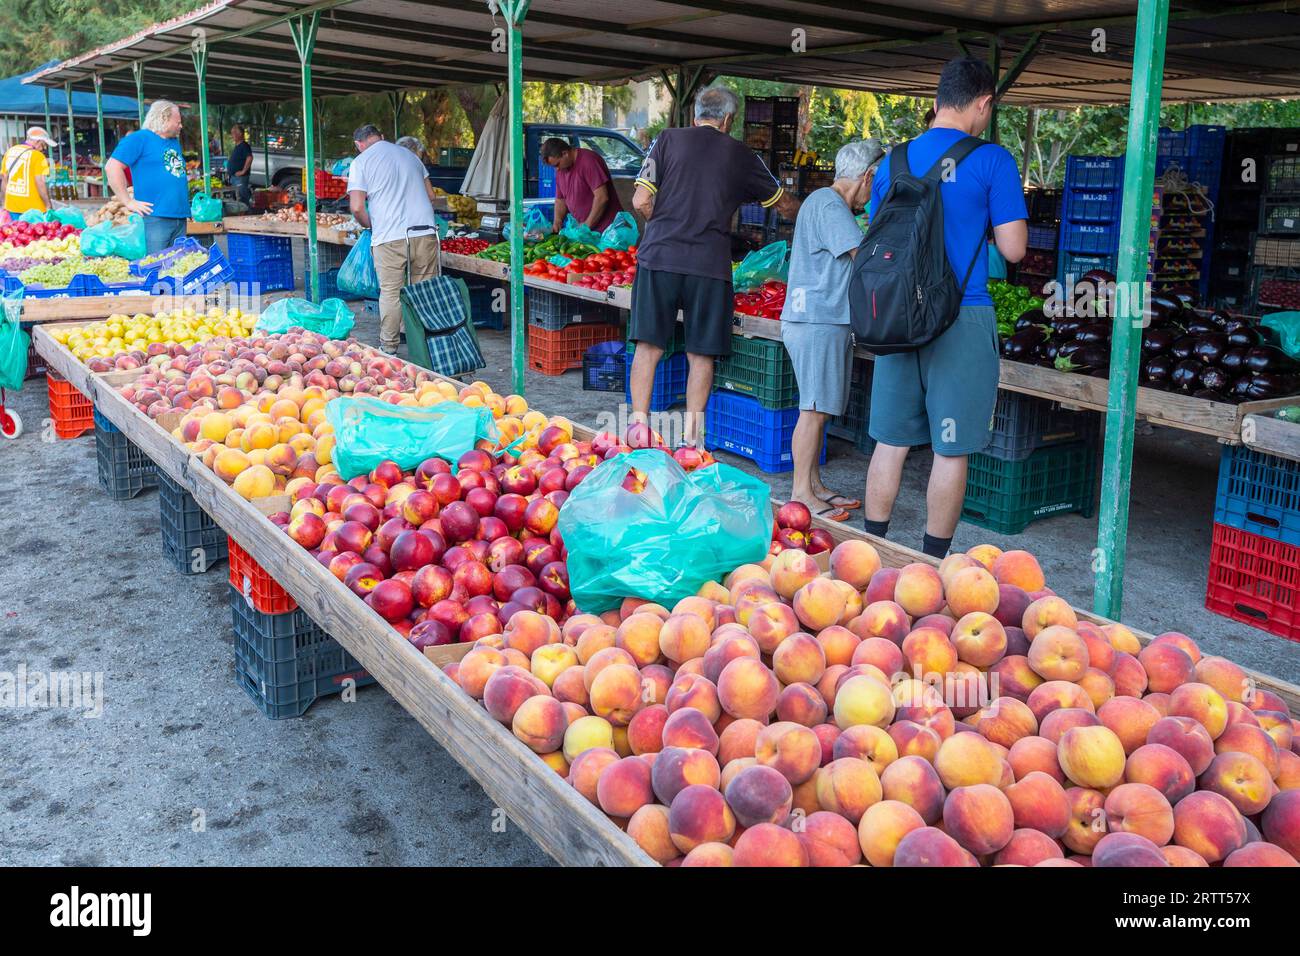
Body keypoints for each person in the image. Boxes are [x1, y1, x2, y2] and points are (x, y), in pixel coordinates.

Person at [863, 57, 1028, 558]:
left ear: (935, 102)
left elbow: (877, 241)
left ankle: (869, 553)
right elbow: (1016, 248)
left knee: (890, 440)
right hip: (961, 316)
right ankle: (932, 562)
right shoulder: (991, 160)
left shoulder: (891, 162)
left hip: (894, 316)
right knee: (950, 446)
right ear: (984, 103)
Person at [629, 85, 801, 447]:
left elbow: (641, 199)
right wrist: (816, 210)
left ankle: (637, 429)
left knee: (649, 347)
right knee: (700, 353)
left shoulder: (667, 140)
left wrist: (666, 226)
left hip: (659, 257)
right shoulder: (741, 155)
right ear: (728, 120)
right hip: (708, 265)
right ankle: (692, 440)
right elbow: (783, 206)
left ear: (696, 115)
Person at [782, 139, 884, 522]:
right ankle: (801, 494)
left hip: (823, 320)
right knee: (811, 409)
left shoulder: (826, 203)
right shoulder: (829, 203)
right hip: (817, 321)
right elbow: (864, 258)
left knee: (820, 409)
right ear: (868, 175)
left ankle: (814, 485)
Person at [347, 124, 440, 355]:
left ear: (359, 144)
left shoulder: (361, 162)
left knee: (390, 292)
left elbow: (357, 207)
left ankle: (389, 348)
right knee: (424, 289)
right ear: (382, 137)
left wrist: (370, 225)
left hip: (390, 236)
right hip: (425, 232)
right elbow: (431, 195)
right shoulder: (410, 155)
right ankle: (427, 346)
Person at [106, 100, 191, 253]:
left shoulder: (173, 141)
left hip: (179, 216)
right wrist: (128, 201)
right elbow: (112, 167)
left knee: (177, 268)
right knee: (155, 267)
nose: (181, 126)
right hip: (156, 217)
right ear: (163, 118)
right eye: (177, 122)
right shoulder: (139, 139)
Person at [542, 138, 623, 234]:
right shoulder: (561, 170)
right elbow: (560, 200)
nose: (557, 169)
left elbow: (602, 197)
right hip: (588, 231)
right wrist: (557, 221)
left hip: (609, 231)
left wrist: (587, 225)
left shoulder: (589, 161)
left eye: (557, 164)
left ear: (565, 153)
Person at [1, 126, 56, 216]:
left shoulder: (10, 151)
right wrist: (48, 204)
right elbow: (40, 183)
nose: (43, 148)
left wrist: (4, 203)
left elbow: (4, 178)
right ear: (37, 141)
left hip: (11, 206)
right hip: (33, 209)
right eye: (43, 145)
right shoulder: (38, 156)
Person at [396, 136, 439, 203]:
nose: (420, 160)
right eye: (419, 156)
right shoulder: (417, 164)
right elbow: (431, 196)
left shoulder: (391, 167)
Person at [226, 125, 253, 205]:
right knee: (237, 197)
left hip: (240, 178)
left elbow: (250, 158)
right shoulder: (237, 146)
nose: (232, 135)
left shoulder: (244, 145)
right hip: (234, 177)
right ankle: (241, 213)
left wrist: (243, 171)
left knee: (242, 197)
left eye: (234, 133)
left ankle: (247, 213)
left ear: (240, 134)